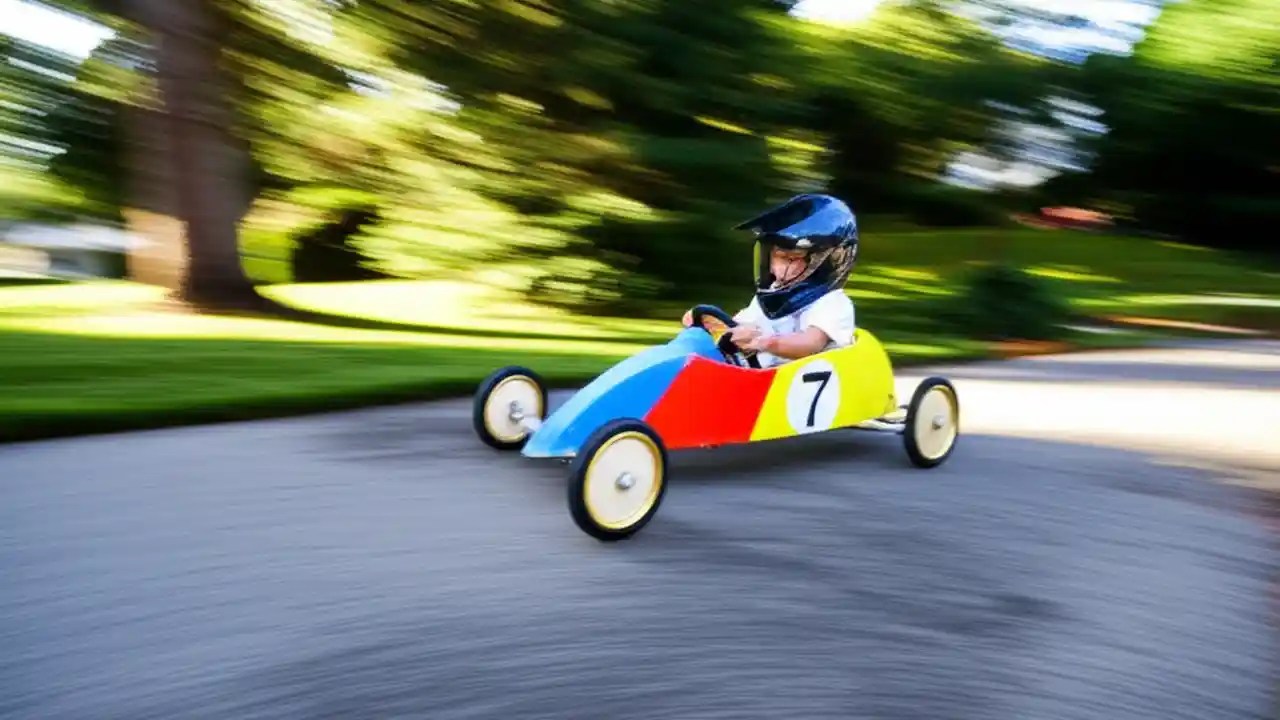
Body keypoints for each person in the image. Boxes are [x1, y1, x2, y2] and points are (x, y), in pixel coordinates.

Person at [683, 193, 858, 368]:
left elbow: (811, 343)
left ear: (826, 263)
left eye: (792, 258)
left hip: (800, 389)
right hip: (762, 383)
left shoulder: (833, 304)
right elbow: (739, 327)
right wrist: (709, 324)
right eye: (777, 257)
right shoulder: (771, 295)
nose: (780, 267)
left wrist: (766, 343)